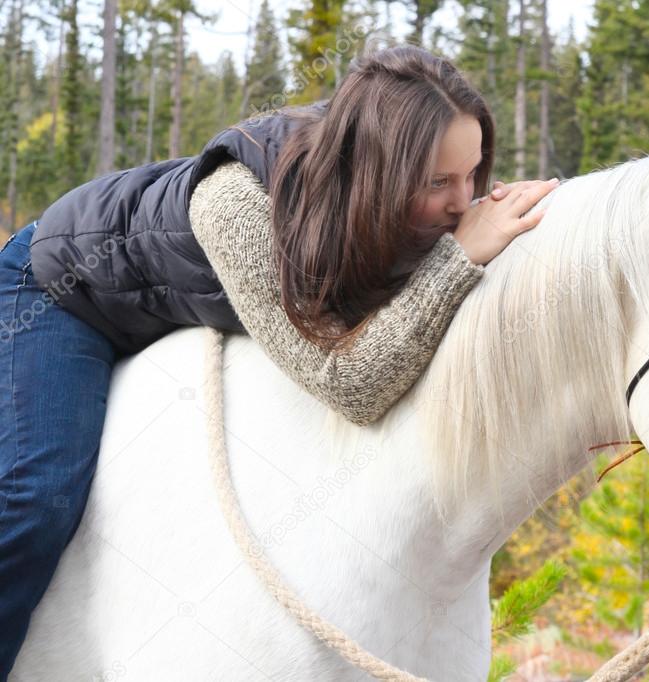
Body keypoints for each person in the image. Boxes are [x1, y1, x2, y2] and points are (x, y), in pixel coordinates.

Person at [0, 44, 559, 676]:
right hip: (55, 288)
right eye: (437, 182)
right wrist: (460, 258)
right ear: (376, 171)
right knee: (33, 497)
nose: (464, 204)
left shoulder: (405, 193)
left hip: (156, 299)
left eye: (473, 174)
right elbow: (348, 382)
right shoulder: (238, 200)